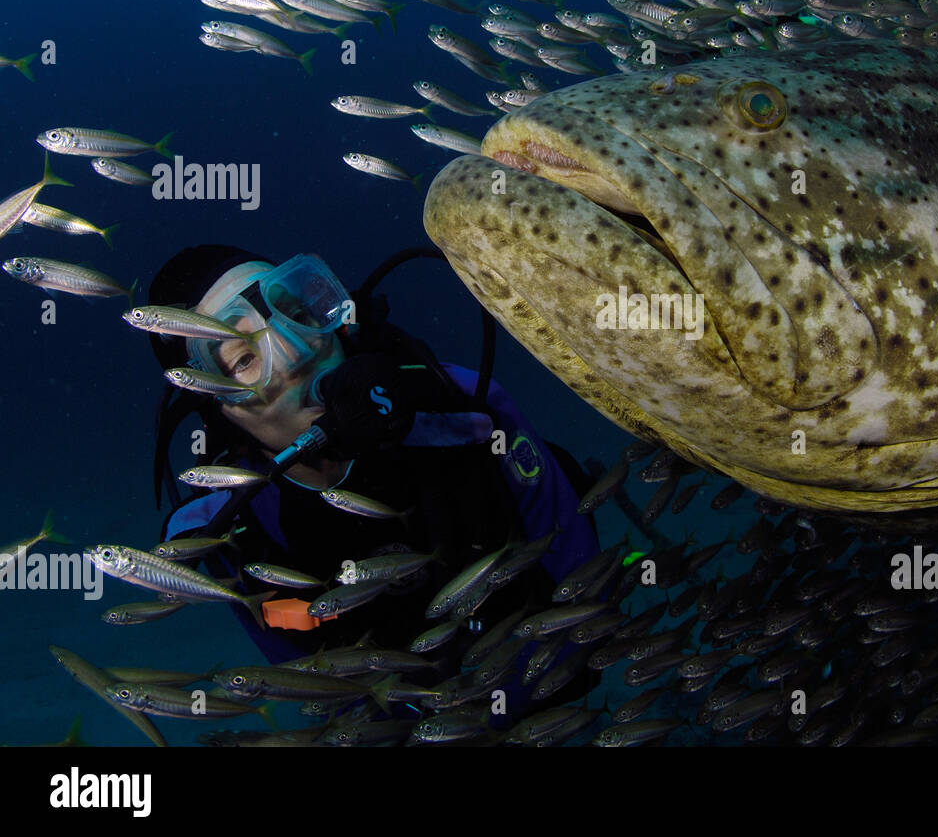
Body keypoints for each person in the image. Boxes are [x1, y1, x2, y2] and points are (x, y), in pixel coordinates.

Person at [144, 244, 602, 710]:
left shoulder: (462, 406)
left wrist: (530, 700)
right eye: (243, 360)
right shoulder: (225, 528)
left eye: (299, 312)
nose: (299, 352)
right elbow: (309, 682)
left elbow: (571, 560)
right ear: (218, 413)